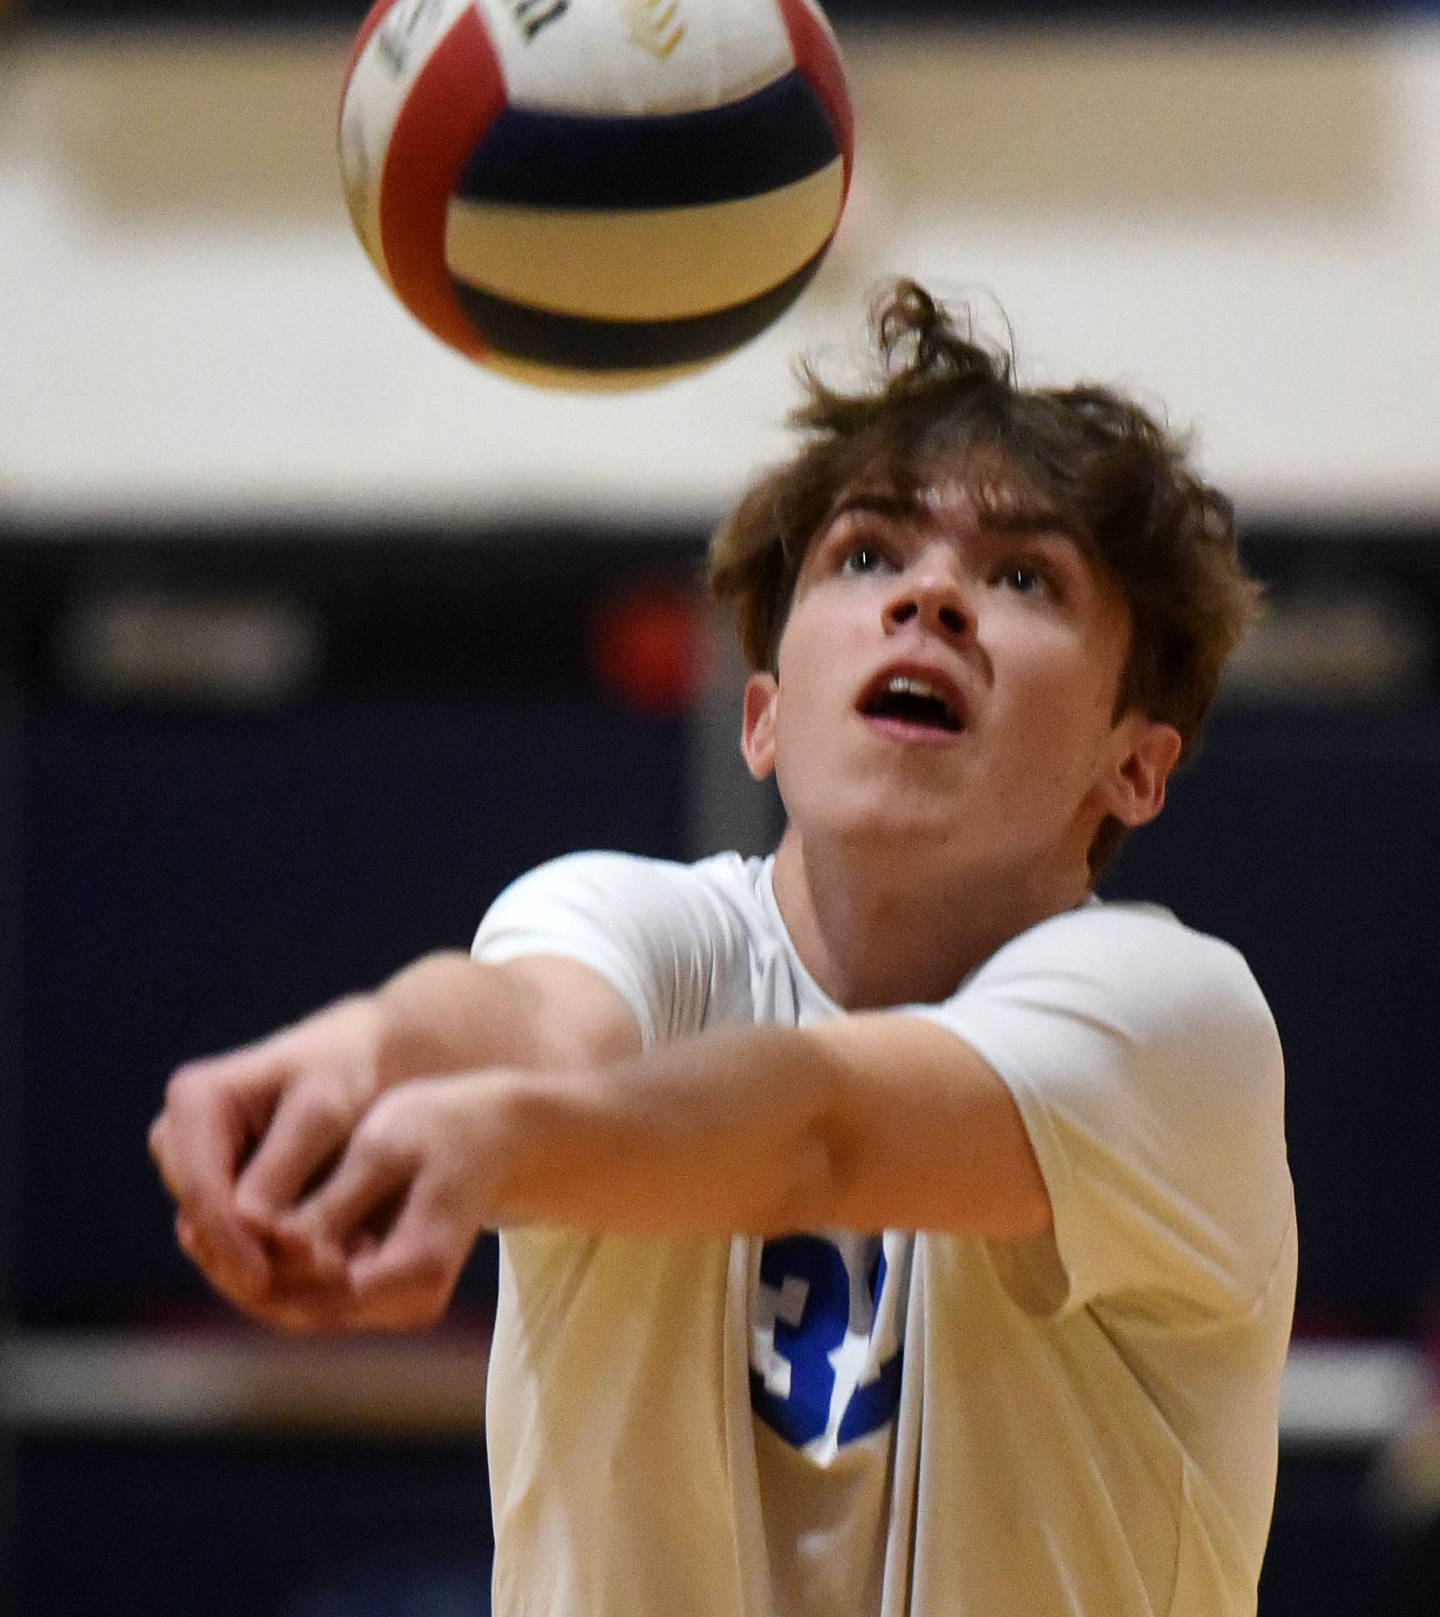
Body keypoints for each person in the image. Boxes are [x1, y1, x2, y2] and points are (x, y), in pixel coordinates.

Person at [150, 281, 1297, 1617]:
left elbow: (826, 1129)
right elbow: (521, 1016)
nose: (931, 595)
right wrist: (362, 1057)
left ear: (1137, 764)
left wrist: (488, 1140)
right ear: (763, 717)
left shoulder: (1176, 1022)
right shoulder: (635, 921)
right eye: (868, 555)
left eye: (1022, 575)